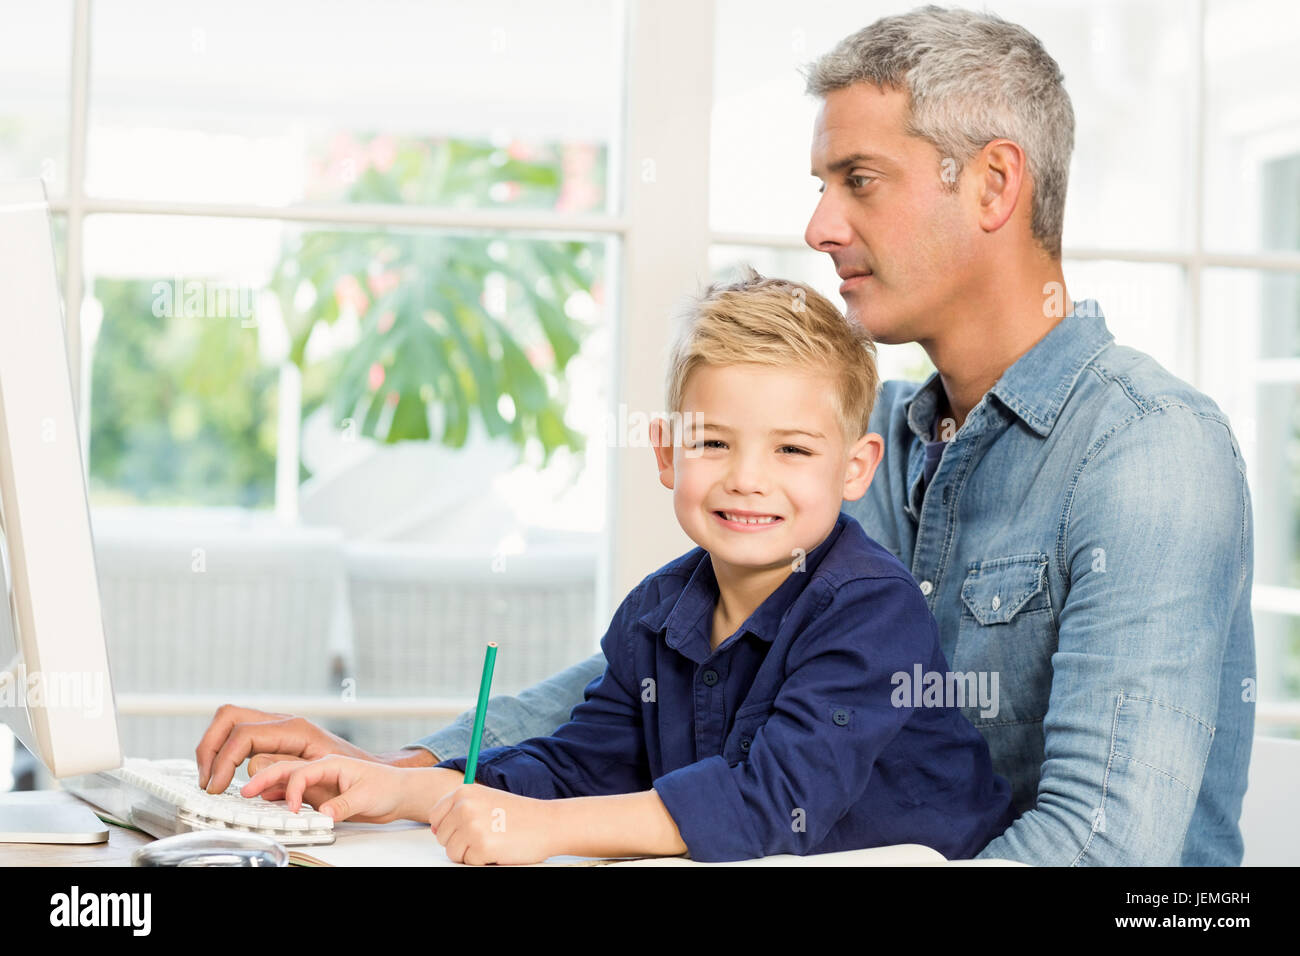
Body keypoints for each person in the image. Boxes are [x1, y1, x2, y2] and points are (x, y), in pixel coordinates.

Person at [196, 6, 1255, 866]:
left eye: (858, 179)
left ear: (991, 183)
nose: (818, 227)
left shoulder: (1151, 455)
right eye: (820, 184)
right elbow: (644, 686)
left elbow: (1107, 848)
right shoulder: (867, 443)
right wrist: (407, 768)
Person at [237, 271, 1016, 864]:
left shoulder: (870, 609)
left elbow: (775, 801)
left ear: (855, 469)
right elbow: (578, 765)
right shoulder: (656, 612)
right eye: (714, 442)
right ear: (666, 453)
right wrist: (406, 789)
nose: (748, 477)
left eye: (791, 449)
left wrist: (537, 829)